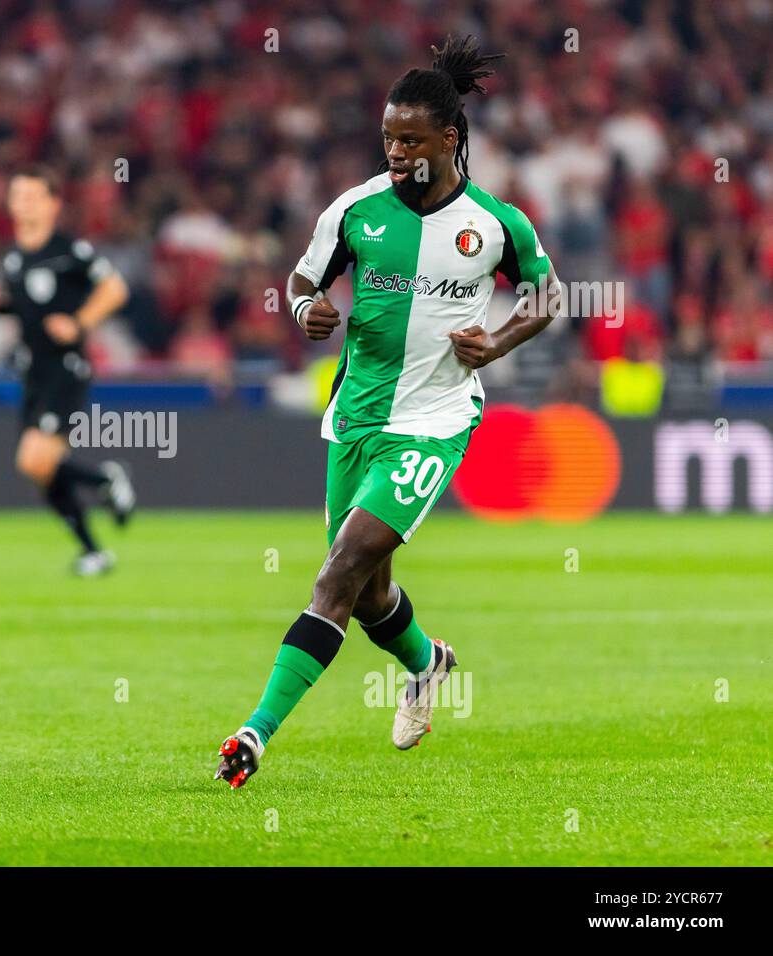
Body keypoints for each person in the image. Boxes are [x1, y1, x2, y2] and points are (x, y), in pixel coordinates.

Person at [215, 36, 563, 787]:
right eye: (388, 138)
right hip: (354, 418)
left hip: (435, 421)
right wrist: (306, 309)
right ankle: (428, 660)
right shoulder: (356, 211)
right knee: (371, 594)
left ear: (449, 138)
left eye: (410, 139)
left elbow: (548, 295)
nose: (397, 152)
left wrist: (497, 342)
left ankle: (254, 735)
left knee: (337, 574)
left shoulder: (495, 223)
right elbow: (302, 280)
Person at [0, 167, 136, 576]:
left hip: (65, 368)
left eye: (33, 196)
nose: (24, 203)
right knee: (40, 466)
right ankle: (93, 551)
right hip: (32, 371)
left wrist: (80, 323)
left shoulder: (70, 249)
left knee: (34, 459)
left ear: (54, 205)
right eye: (18, 195)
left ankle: (106, 479)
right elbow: (26, 307)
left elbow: (115, 288)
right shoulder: (13, 257)